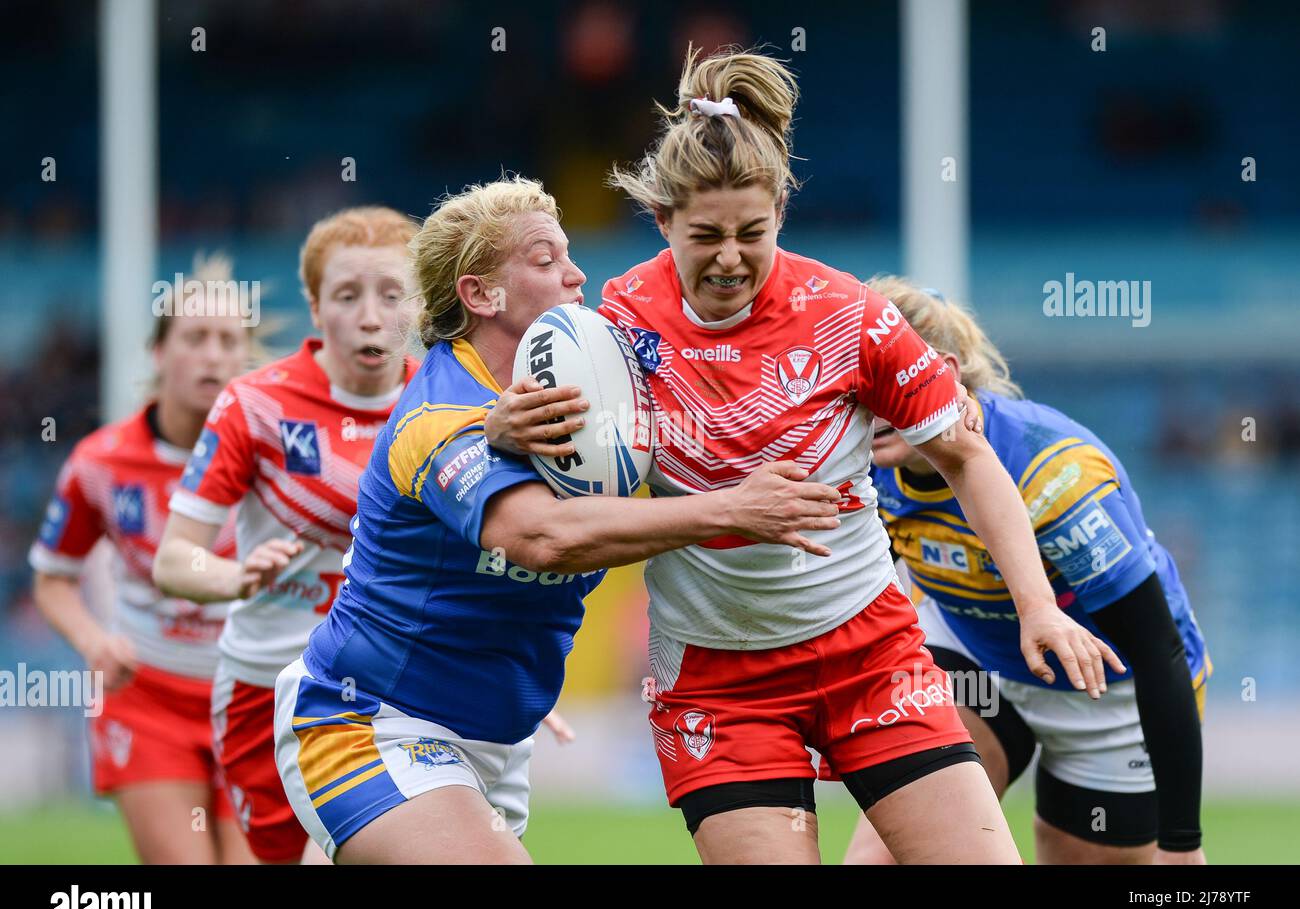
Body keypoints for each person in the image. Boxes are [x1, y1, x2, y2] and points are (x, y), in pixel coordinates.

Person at [592, 45, 1123, 864]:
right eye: (704, 235)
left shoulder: (849, 314)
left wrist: (1037, 605)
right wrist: (512, 427)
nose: (730, 257)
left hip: (871, 657)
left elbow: (967, 456)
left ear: (780, 215)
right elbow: (572, 490)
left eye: (751, 232)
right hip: (718, 682)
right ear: (662, 221)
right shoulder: (619, 321)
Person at [271, 176, 842, 864]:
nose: (575, 275)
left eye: (568, 255)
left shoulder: (597, 387)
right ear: (482, 294)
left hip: (498, 741)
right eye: (544, 261)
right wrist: (733, 509)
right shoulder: (439, 417)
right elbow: (541, 538)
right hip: (371, 721)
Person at [843, 277, 1210, 865]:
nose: (869, 409)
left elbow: (1158, 648)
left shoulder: (1052, 474)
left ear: (945, 371)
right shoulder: (864, 463)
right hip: (975, 661)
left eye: (885, 381)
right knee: (887, 857)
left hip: (1108, 689)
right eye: (858, 387)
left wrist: (1182, 845)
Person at [153, 207, 421, 863]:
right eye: (347, 295)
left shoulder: (448, 403)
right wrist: (232, 576)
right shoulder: (255, 403)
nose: (369, 315)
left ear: (420, 302)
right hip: (266, 688)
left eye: (391, 294)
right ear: (313, 305)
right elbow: (174, 558)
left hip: (402, 692)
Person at [30, 255, 258, 864]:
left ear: (246, 358)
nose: (212, 355)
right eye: (194, 338)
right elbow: (53, 579)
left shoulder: (279, 456)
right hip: (147, 697)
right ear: (159, 353)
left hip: (254, 697)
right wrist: (92, 641)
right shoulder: (100, 463)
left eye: (228, 340)